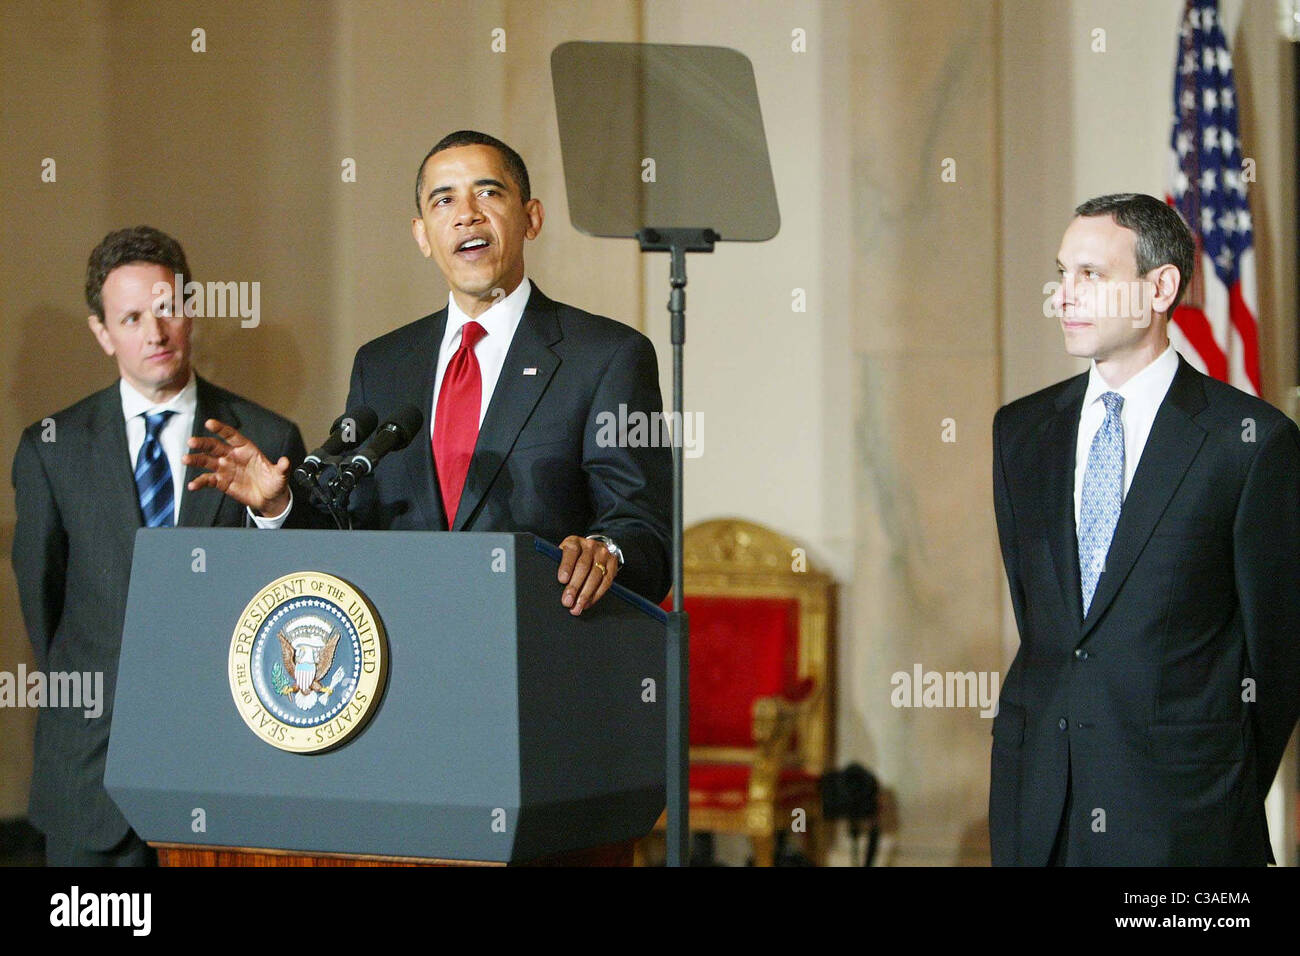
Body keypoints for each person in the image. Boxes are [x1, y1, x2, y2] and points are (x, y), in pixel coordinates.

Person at [185, 130, 672, 610]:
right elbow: (351, 535)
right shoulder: (381, 364)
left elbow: (645, 533)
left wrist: (607, 553)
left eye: (488, 192)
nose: (467, 215)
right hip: (402, 660)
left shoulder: (607, 357)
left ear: (531, 217)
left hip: (539, 652)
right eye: (443, 201)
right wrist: (278, 506)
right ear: (422, 235)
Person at [990, 193, 1300, 866]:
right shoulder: (1020, 432)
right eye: (1061, 273)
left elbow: (1279, 656)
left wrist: (1215, 781)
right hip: (1041, 808)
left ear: (1160, 287)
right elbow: (1049, 628)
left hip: (1186, 822)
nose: (1063, 296)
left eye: (1090, 276)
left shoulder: (1249, 441)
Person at [11, 226, 307, 866]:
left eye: (167, 309)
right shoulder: (51, 448)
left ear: (191, 310)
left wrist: (277, 510)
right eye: (132, 317)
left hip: (233, 766)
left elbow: (298, 593)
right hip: (92, 774)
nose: (155, 332)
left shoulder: (264, 435)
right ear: (101, 331)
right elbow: (46, 608)